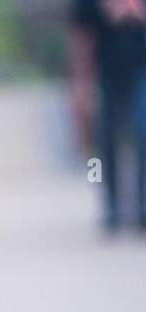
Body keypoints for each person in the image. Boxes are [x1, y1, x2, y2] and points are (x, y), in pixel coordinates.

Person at [71, 0, 146, 230]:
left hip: (141, 73)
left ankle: (141, 204)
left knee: (142, 133)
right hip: (106, 76)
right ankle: (110, 205)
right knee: (105, 143)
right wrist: (81, 86)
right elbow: (82, 41)